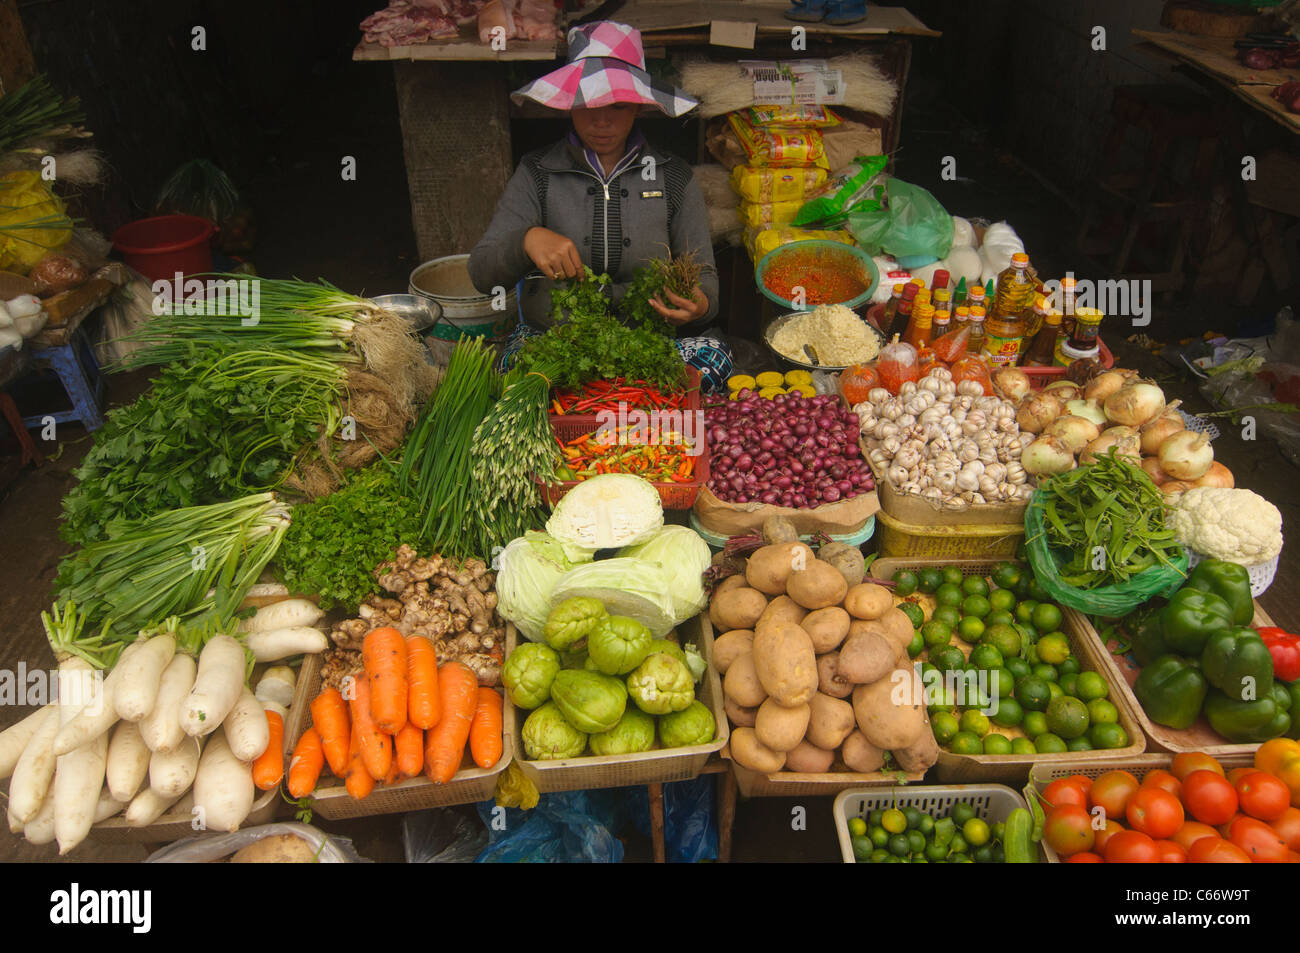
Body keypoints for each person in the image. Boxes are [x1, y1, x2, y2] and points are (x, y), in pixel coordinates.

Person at [468, 21, 719, 340]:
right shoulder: (538, 172)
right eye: (589, 104)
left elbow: (706, 276)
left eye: (618, 105)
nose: (602, 121)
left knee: (712, 361)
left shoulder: (673, 176)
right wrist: (526, 241)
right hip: (556, 340)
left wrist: (701, 303)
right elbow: (482, 275)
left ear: (639, 107)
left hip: (650, 340)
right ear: (570, 103)